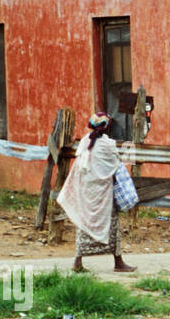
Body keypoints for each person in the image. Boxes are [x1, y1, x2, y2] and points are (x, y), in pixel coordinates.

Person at [58, 112, 136, 273]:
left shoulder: (85, 142)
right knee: (112, 227)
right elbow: (115, 165)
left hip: (87, 192)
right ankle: (118, 262)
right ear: (107, 127)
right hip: (105, 193)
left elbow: (80, 167)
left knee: (84, 223)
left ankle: (78, 262)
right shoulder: (108, 144)